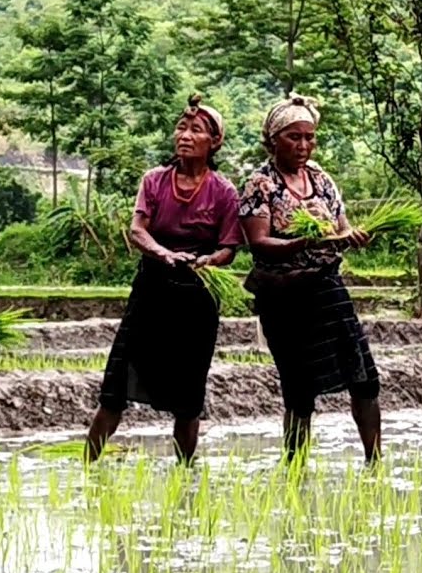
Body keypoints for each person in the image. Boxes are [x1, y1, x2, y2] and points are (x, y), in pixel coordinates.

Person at [85, 96, 242, 465]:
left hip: (197, 297)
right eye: (182, 127)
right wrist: (164, 254)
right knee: (115, 388)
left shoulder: (224, 192)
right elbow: (138, 230)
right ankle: (87, 468)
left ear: (214, 141)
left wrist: (208, 261)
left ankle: (185, 475)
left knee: (189, 399)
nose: (185, 135)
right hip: (151, 293)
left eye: (196, 130)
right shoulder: (154, 180)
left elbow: (229, 247)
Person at [238, 94, 381, 464]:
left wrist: (353, 236)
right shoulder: (260, 184)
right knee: (299, 391)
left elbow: (341, 228)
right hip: (284, 298)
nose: (303, 145)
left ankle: (375, 462)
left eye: (309, 137)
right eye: (293, 137)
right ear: (273, 140)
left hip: (328, 290)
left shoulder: (321, 179)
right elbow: (259, 243)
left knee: (364, 379)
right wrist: (302, 241)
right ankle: (294, 468)